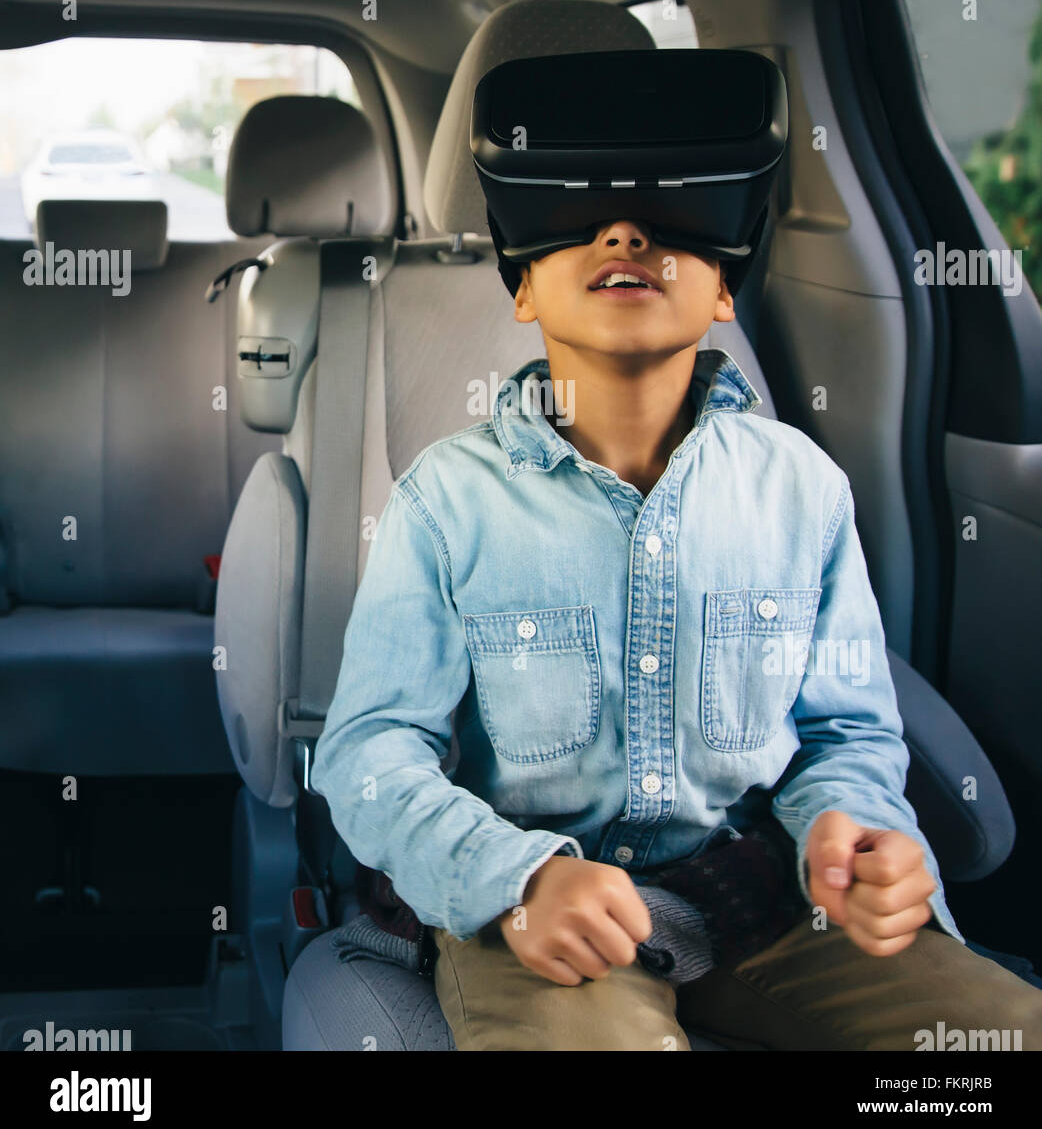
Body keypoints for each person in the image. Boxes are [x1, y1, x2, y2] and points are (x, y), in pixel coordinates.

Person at [311, 216, 1042, 1050]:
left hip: (764, 895)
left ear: (725, 286)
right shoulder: (444, 500)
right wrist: (512, 877)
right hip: (536, 914)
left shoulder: (801, 486)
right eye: (578, 222)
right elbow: (367, 752)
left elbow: (846, 732)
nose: (624, 233)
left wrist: (856, 822)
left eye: (672, 221)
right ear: (522, 289)